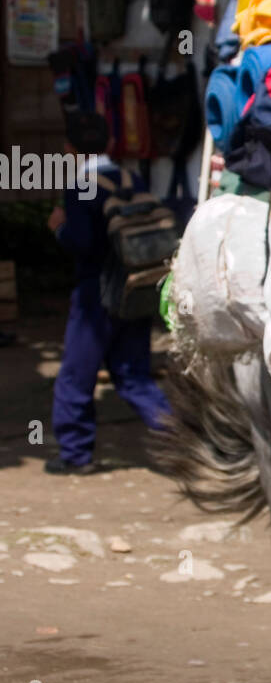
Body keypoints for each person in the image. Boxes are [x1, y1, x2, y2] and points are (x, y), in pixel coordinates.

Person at [45, 113, 170, 474]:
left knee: (76, 375)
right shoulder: (132, 177)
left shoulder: (81, 184)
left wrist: (59, 229)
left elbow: (82, 243)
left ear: (69, 150)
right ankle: (182, 441)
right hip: (136, 288)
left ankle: (75, 454)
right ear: (110, 144)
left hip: (95, 294)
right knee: (134, 376)